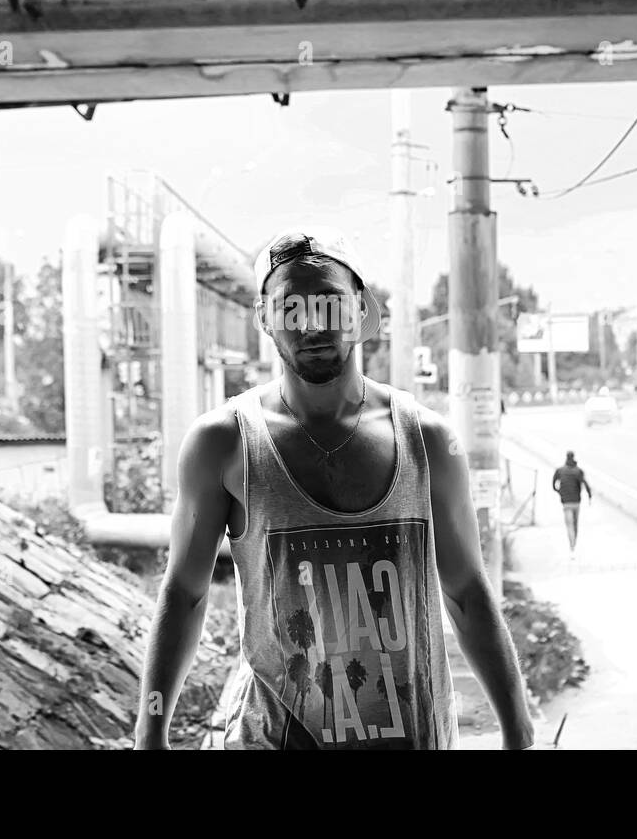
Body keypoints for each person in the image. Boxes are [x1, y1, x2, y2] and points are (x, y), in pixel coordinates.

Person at [133, 227, 533, 751]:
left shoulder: (428, 441)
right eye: (290, 307)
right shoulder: (224, 442)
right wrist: (151, 731)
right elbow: (185, 593)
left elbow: (466, 591)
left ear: (362, 311)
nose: (313, 323)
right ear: (264, 320)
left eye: (330, 303)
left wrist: (518, 731)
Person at [552, 451, 592, 557]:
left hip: (566, 502)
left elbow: (554, 484)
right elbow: (585, 484)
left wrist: (559, 492)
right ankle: (574, 543)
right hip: (576, 502)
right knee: (575, 524)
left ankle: (572, 546)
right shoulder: (578, 471)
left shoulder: (560, 471)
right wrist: (589, 496)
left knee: (569, 525)